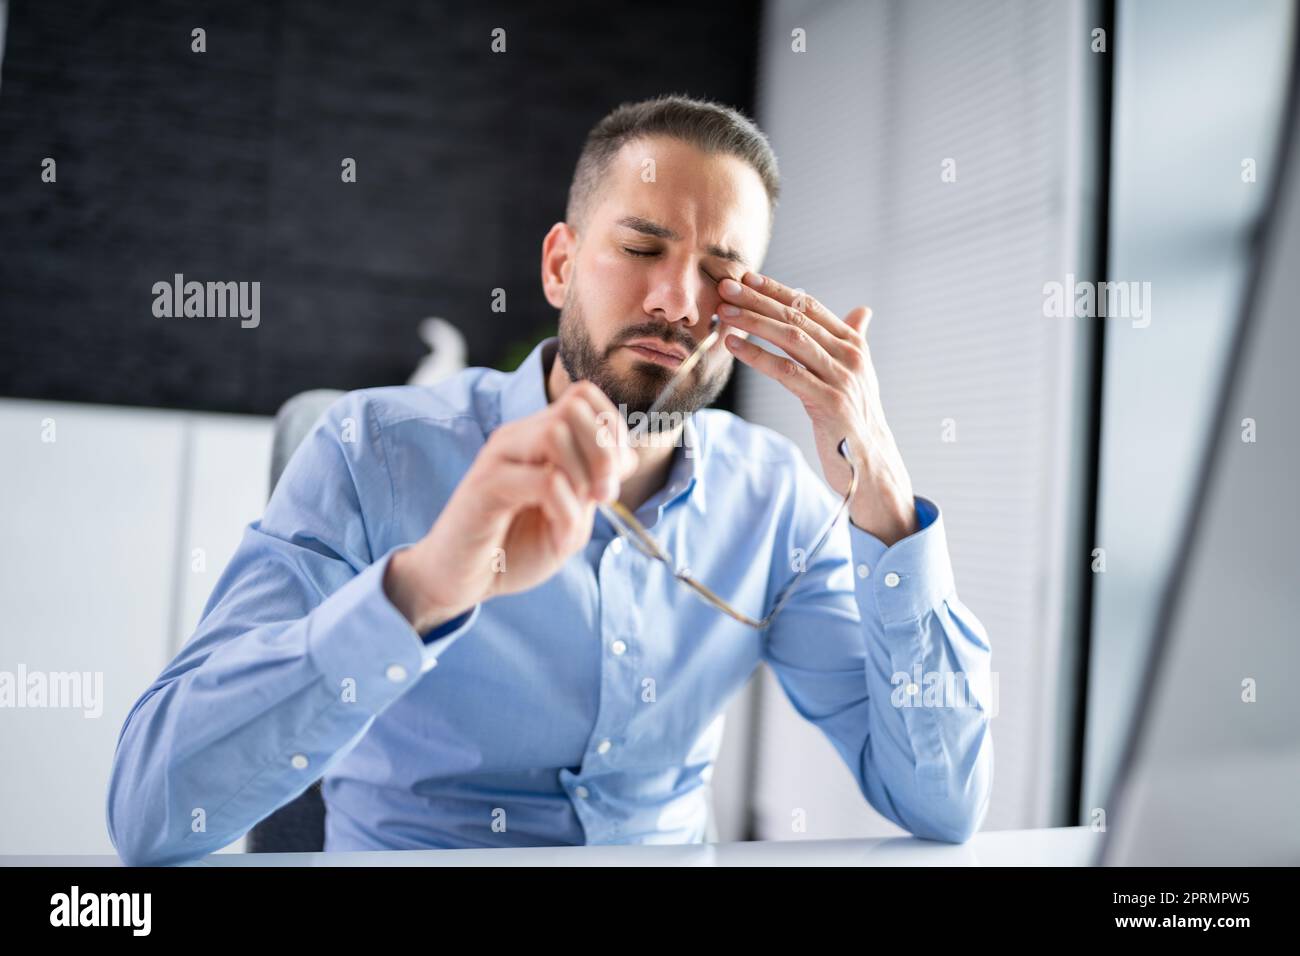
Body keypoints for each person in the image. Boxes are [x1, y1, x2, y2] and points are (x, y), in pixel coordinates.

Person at [107, 94, 993, 866]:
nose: (679, 301)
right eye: (643, 247)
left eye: (723, 276)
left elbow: (942, 801)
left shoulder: (774, 502)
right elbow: (153, 812)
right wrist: (421, 591)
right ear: (560, 264)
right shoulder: (371, 449)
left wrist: (876, 481)